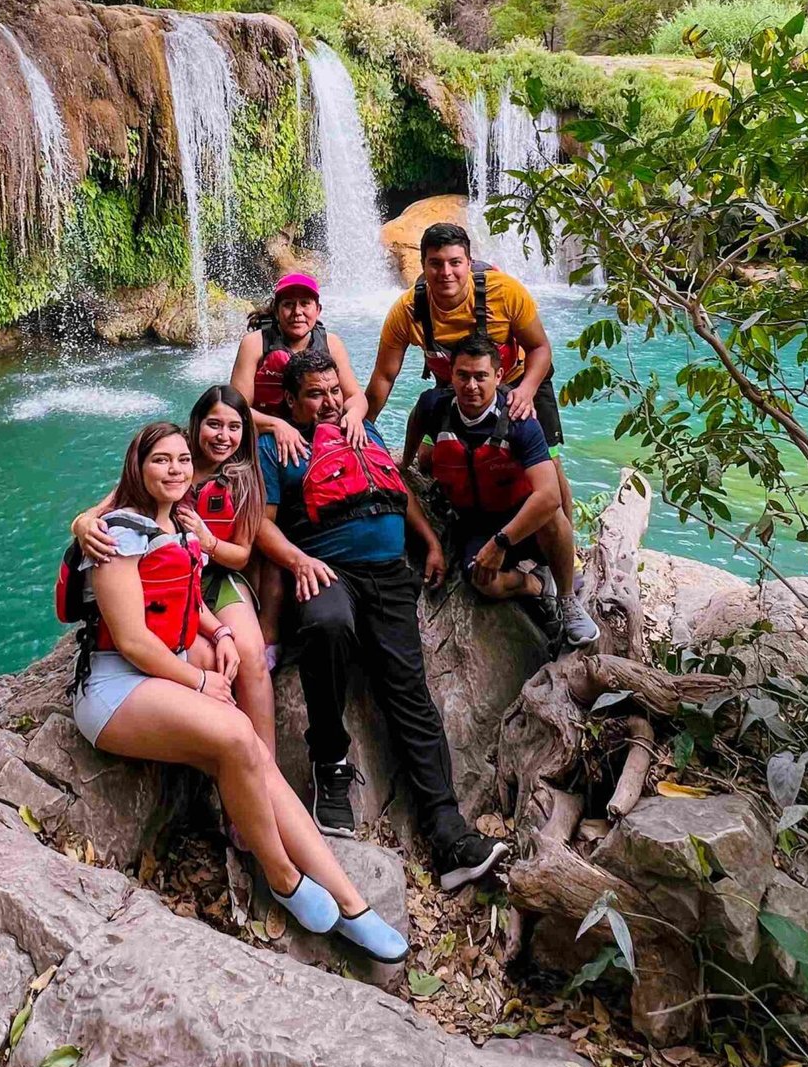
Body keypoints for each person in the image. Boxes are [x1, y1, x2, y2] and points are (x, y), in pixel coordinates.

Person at [69, 420, 408, 964]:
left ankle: (352, 902)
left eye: (182, 459)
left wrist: (220, 631)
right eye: (161, 460)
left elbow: (183, 597)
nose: (176, 469)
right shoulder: (116, 534)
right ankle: (283, 878)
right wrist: (201, 680)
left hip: (164, 670)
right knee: (235, 734)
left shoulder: (177, 523)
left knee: (248, 751)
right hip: (114, 687)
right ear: (138, 466)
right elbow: (132, 640)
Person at [256, 350, 509, 893]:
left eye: (331, 391)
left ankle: (450, 836)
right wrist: (298, 560)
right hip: (328, 569)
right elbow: (262, 527)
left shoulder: (359, 426)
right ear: (292, 402)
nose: (326, 403)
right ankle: (330, 762)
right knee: (326, 626)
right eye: (313, 395)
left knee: (408, 691)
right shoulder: (277, 446)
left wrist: (431, 540)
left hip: (390, 575)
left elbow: (393, 486)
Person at [71, 386, 276, 756]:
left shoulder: (245, 479)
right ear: (196, 425)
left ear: (246, 431)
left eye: (234, 427)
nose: (223, 436)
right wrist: (82, 525)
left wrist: (205, 539)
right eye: (213, 424)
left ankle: (264, 762)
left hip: (217, 577)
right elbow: (102, 509)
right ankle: (228, 748)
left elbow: (242, 555)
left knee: (251, 654)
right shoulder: (170, 460)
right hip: (166, 584)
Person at [365, 222, 575, 522]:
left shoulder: (504, 291)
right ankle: (462, 518)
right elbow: (384, 378)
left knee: (549, 464)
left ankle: (570, 543)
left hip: (518, 379)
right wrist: (362, 427)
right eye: (435, 264)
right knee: (427, 461)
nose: (446, 273)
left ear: (469, 262)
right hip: (460, 388)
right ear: (422, 265)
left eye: (455, 263)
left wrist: (526, 391)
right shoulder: (408, 309)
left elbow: (540, 348)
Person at [401, 332, 598, 650]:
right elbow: (417, 420)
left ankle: (567, 601)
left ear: (498, 376)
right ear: (450, 375)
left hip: (522, 519)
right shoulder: (434, 405)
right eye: (462, 376)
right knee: (484, 583)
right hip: (475, 521)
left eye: (481, 376)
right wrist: (406, 461)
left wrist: (501, 542)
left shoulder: (519, 420)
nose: (471, 386)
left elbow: (548, 495)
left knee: (552, 515)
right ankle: (537, 585)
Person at [230, 274, 368, 462]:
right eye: (288, 304)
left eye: (305, 303)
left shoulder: (331, 343)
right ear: (277, 311)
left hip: (322, 429)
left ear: (318, 310)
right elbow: (236, 408)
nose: (297, 312)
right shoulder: (254, 344)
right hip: (269, 436)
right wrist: (276, 425)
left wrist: (354, 415)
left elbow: (354, 395)